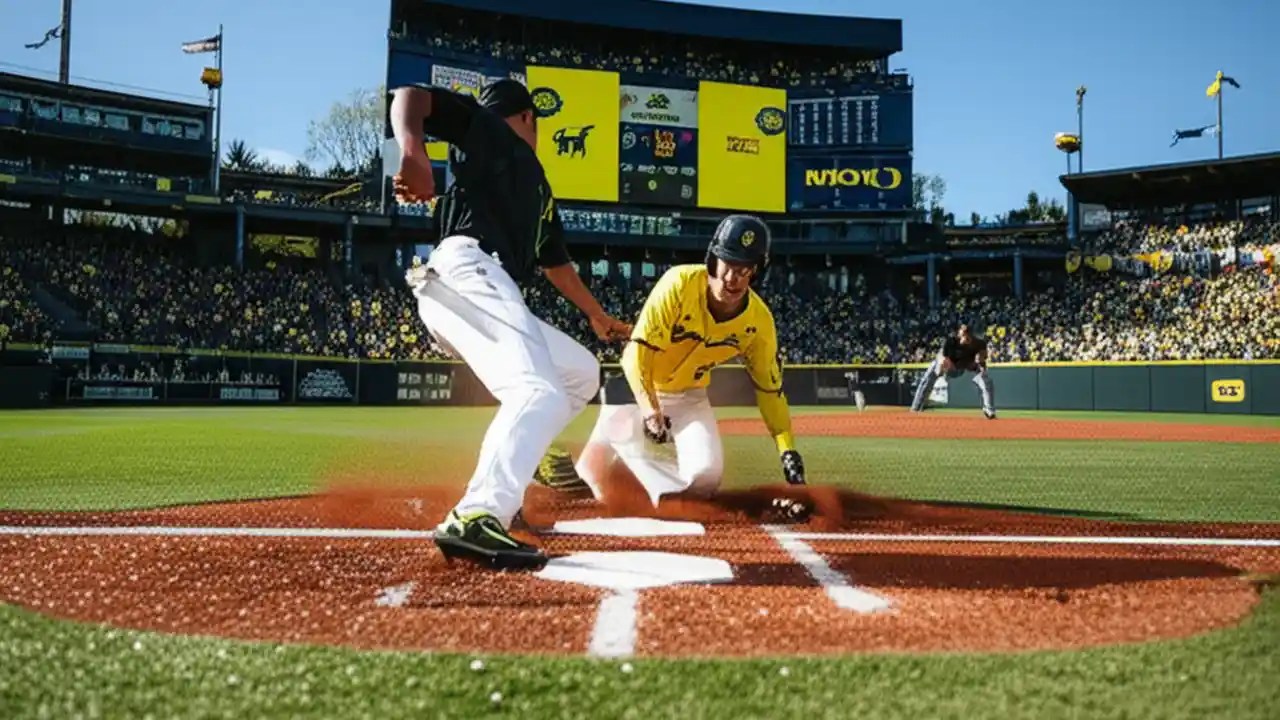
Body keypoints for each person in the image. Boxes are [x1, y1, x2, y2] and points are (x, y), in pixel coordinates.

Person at [389, 79, 631, 570]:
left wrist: (596, 315)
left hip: (485, 286)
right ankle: (478, 512)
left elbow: (556, 264)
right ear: (527, 118)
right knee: (536, 392)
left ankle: (517, 467)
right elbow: (410, 96)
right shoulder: (493, 133)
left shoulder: (538, 190)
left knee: (580, 372)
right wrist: (413, 151)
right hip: (465, 270)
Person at [565, 215, 809, 519]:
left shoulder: (759, 323)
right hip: (634, 390)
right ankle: (599, 471)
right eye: (727, 264)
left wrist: (788, 450)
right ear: (712, 261)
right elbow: (634, 356)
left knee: (706, 477)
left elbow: (770, 391)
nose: (732, 278)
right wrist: (651, 411)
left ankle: (585, 466)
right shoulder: (678, 284)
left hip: (689, 397)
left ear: (756, 272)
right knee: (614, 455)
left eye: (743, 269)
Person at [909, 322, 996, 418]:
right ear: (959, 334)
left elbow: (982, 361)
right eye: (963, 334)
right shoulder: (951, 341)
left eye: (968, 334)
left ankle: (989, 410)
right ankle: (916, 408)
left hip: (964, 365)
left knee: (986, 379)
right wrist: (942, 370)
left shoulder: (979, 344)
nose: (965, 337)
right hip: (948, 365)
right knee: (930, 375)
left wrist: (980, 367)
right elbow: (943, 359)